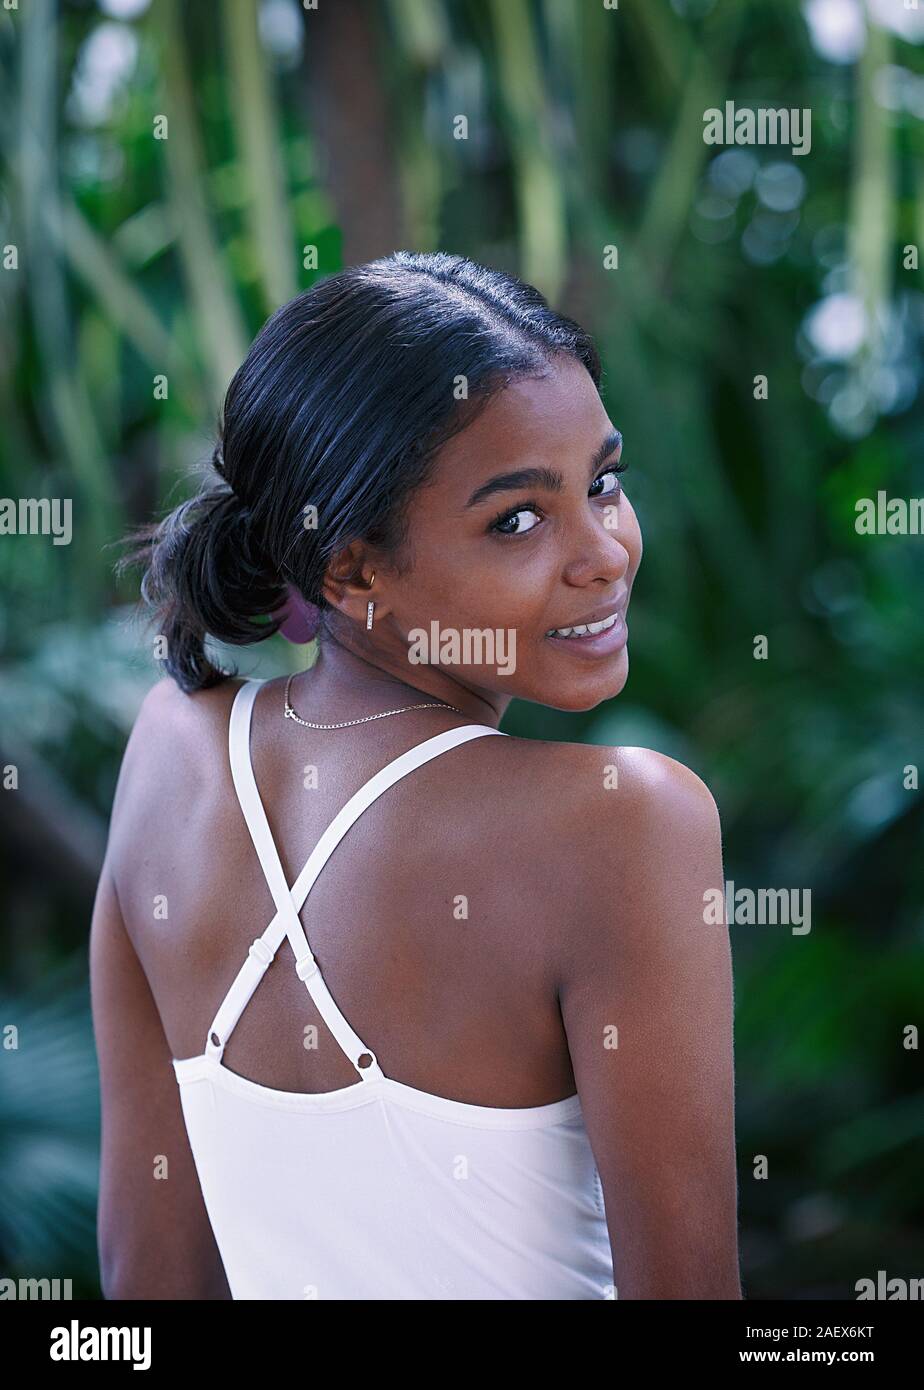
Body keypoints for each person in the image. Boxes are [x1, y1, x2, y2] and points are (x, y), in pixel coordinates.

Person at [90, 250, 741, 1300]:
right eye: (517, 519)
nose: (605, 552)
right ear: (351, 570)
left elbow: (148, 1287)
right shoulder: (626, 826)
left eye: (603, 484)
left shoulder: (172, 753)